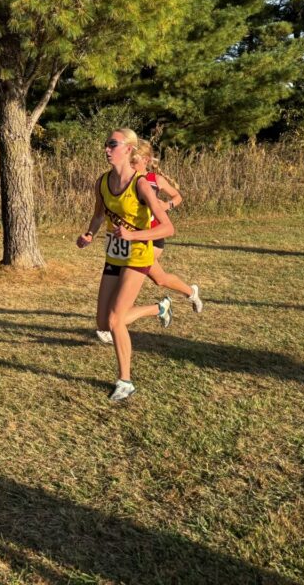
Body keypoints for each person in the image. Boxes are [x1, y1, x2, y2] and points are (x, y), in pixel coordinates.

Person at [76, 128, 175, 402]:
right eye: (106, 144)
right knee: (101, 324)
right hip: (114, 256)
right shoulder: (102, 182)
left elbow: (167, 228)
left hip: (138, 256)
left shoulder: (141, 184)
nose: (107, 149)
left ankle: (125, 381)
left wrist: (133, 235)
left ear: (128, 149)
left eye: (113, 144)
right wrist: (89, 234)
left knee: (116, 319)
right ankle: (159, 307)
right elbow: (98, 215)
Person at [131, 141, 203, 314]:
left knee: (132, 274)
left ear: (146, 160)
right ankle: (190, 293)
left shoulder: (155, 179)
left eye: (133, 162)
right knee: (160, 279)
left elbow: (177, 196)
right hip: (135, 235)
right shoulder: (125, 180)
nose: (130, 166)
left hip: (154, 236)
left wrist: (167, 205)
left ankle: (116, 321)